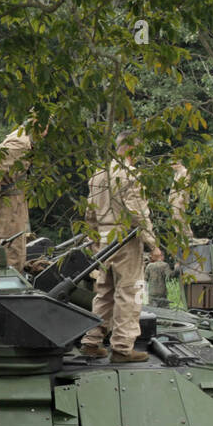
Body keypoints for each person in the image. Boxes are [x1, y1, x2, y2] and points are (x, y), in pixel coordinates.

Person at [79, 131, 160, 363]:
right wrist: (153, 244)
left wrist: (94, 241)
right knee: (129, 292)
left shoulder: (98, 174)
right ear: (133, 150)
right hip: (125, 238)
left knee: (104, 292)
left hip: (104, 239)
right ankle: (123, 348)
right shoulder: (129, 175)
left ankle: (91, 342)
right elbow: (138, 213)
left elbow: (89, 213)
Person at [0, 123, 37, 272]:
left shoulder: (21, 139)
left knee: (12, 253)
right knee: (10, 256)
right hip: (9, 206)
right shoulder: (21, 143)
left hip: (12, 203)